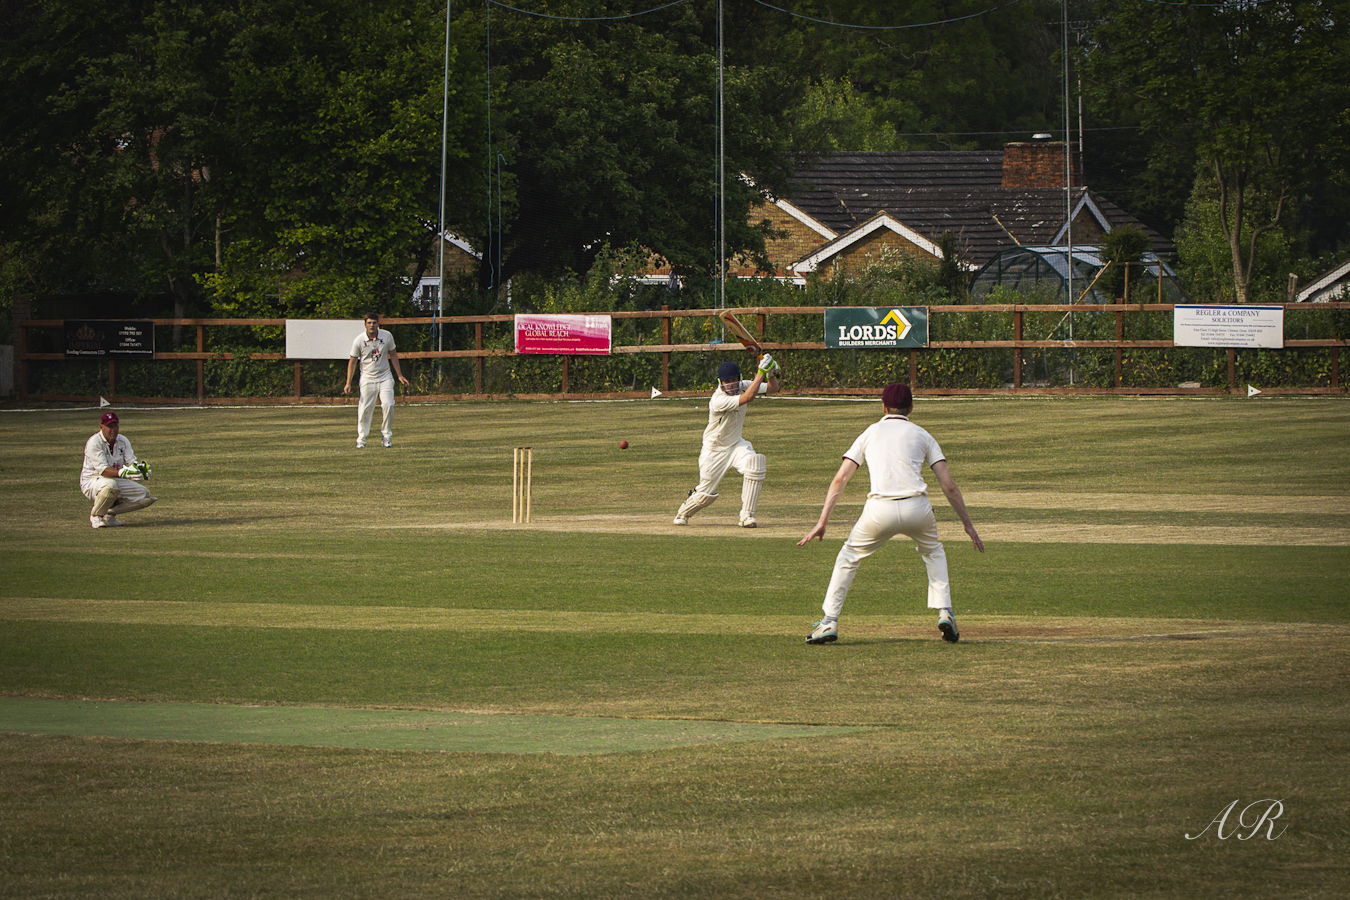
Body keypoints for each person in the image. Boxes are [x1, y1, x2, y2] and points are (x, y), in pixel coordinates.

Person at [797, 383, 984, 644]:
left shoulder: (870, 433)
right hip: (917, 508)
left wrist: (822, 521)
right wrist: (968, 525)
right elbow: (948, 485)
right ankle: (945, 612)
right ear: (911, 408)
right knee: (933, 551)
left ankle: (829, 622)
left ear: (883, 407)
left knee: (848, 557)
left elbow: (840, 480)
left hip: (879, 510)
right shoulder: (922, 434)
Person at [673, 355, 781, 528]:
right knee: (704, 496)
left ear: (739, 378)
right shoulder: (718, 400)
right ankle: (683, 512)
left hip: (736, 445)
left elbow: (773, 389)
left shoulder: (743, 385)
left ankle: (747, 516)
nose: (731, 384)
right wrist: (761, 371)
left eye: (734, 380)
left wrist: (771, 374)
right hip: (714, 451)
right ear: (720, 382)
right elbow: (747, 398)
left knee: (756, 464)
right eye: (727, 381)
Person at [80, 411, 157, 529]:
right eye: (109, 426)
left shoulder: (123, 440)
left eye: (115, 426)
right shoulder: (94, 442)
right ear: (101, 427)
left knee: (143, 494)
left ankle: (109, 515)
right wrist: (124, 473)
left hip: (115, 478)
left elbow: (131, 461)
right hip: (92, 481)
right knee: (111, 485)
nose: (113, 430)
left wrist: (140, 470)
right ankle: (96, 516)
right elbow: (103, 470)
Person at [343, 312, 409, 448]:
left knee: (388, 404)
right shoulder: (359, 340)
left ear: (378, 323)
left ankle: (386, 436)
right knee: (365, 409)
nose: (372, 325)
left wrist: (399, 375)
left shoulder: (387, 336)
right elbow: (352, 362)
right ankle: (362, 439)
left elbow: (393, 355)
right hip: (367, 377)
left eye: (374, 322)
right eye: (369, 323)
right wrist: (348, 382)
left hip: (385, 376)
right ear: (365, 324)